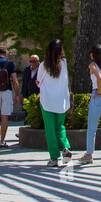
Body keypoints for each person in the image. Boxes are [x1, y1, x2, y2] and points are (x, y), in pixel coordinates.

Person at [36, 39, 71, 167]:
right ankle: (66, 147)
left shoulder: (43, 65)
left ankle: (54, 158)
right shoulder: (64, 63)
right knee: (60, 127)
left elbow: (38, 82)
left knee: (50, 130)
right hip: (61, 101)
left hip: (47, 101)